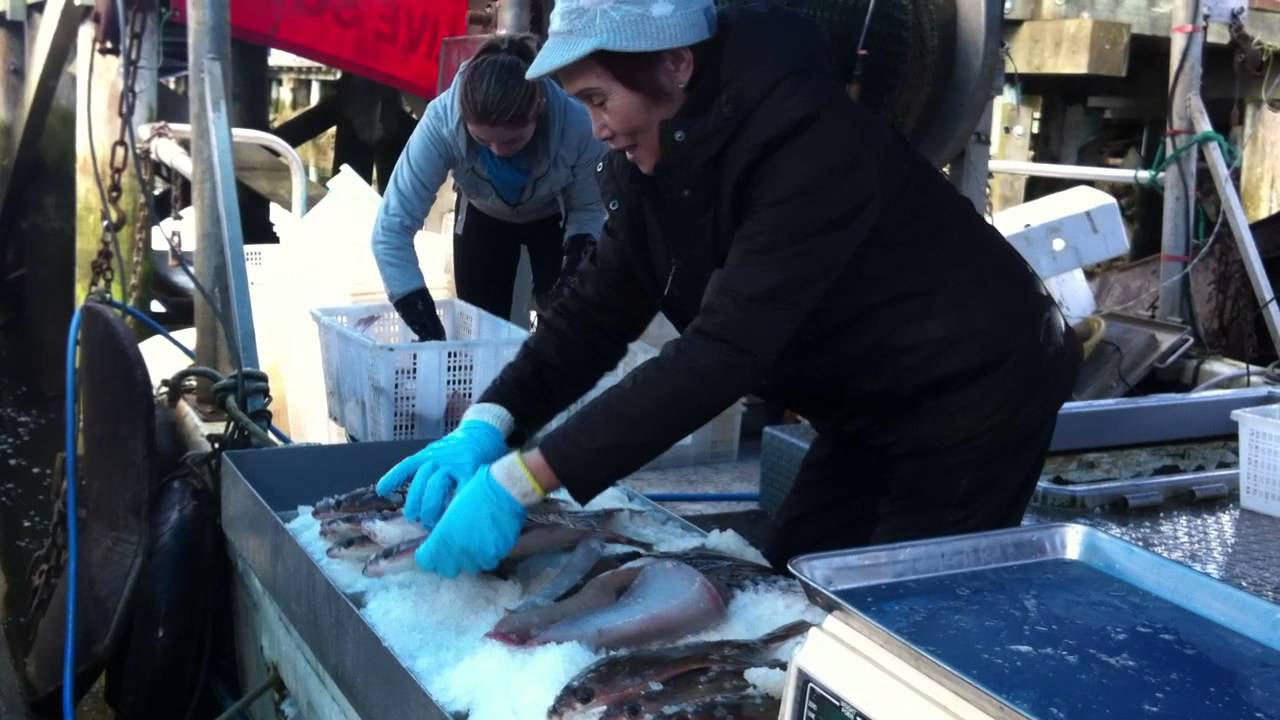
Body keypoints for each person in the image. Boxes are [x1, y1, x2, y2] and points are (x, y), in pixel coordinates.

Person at [375, 0, 1082, 577]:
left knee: (898, 617)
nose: (594, 127)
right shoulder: (646, 154)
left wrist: (526, 479)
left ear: (675, 66)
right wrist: (489, 424)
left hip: (972, 388)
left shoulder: (806, 139)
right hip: (865, 402)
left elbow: (722, 355)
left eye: (598, 98)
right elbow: (594, 311)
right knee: (789, 578)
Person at [372, 35, 606, 339]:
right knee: (479, 327)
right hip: (482, 213)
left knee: (565, 327)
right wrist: (426, 325)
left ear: (539, 110)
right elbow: (391, 229)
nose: (498, 150)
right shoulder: (441, 123)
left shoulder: (578, 124)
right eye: (483, 141)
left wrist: (570, 280)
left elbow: (589, 211)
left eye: (512, 141)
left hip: (555, 214)